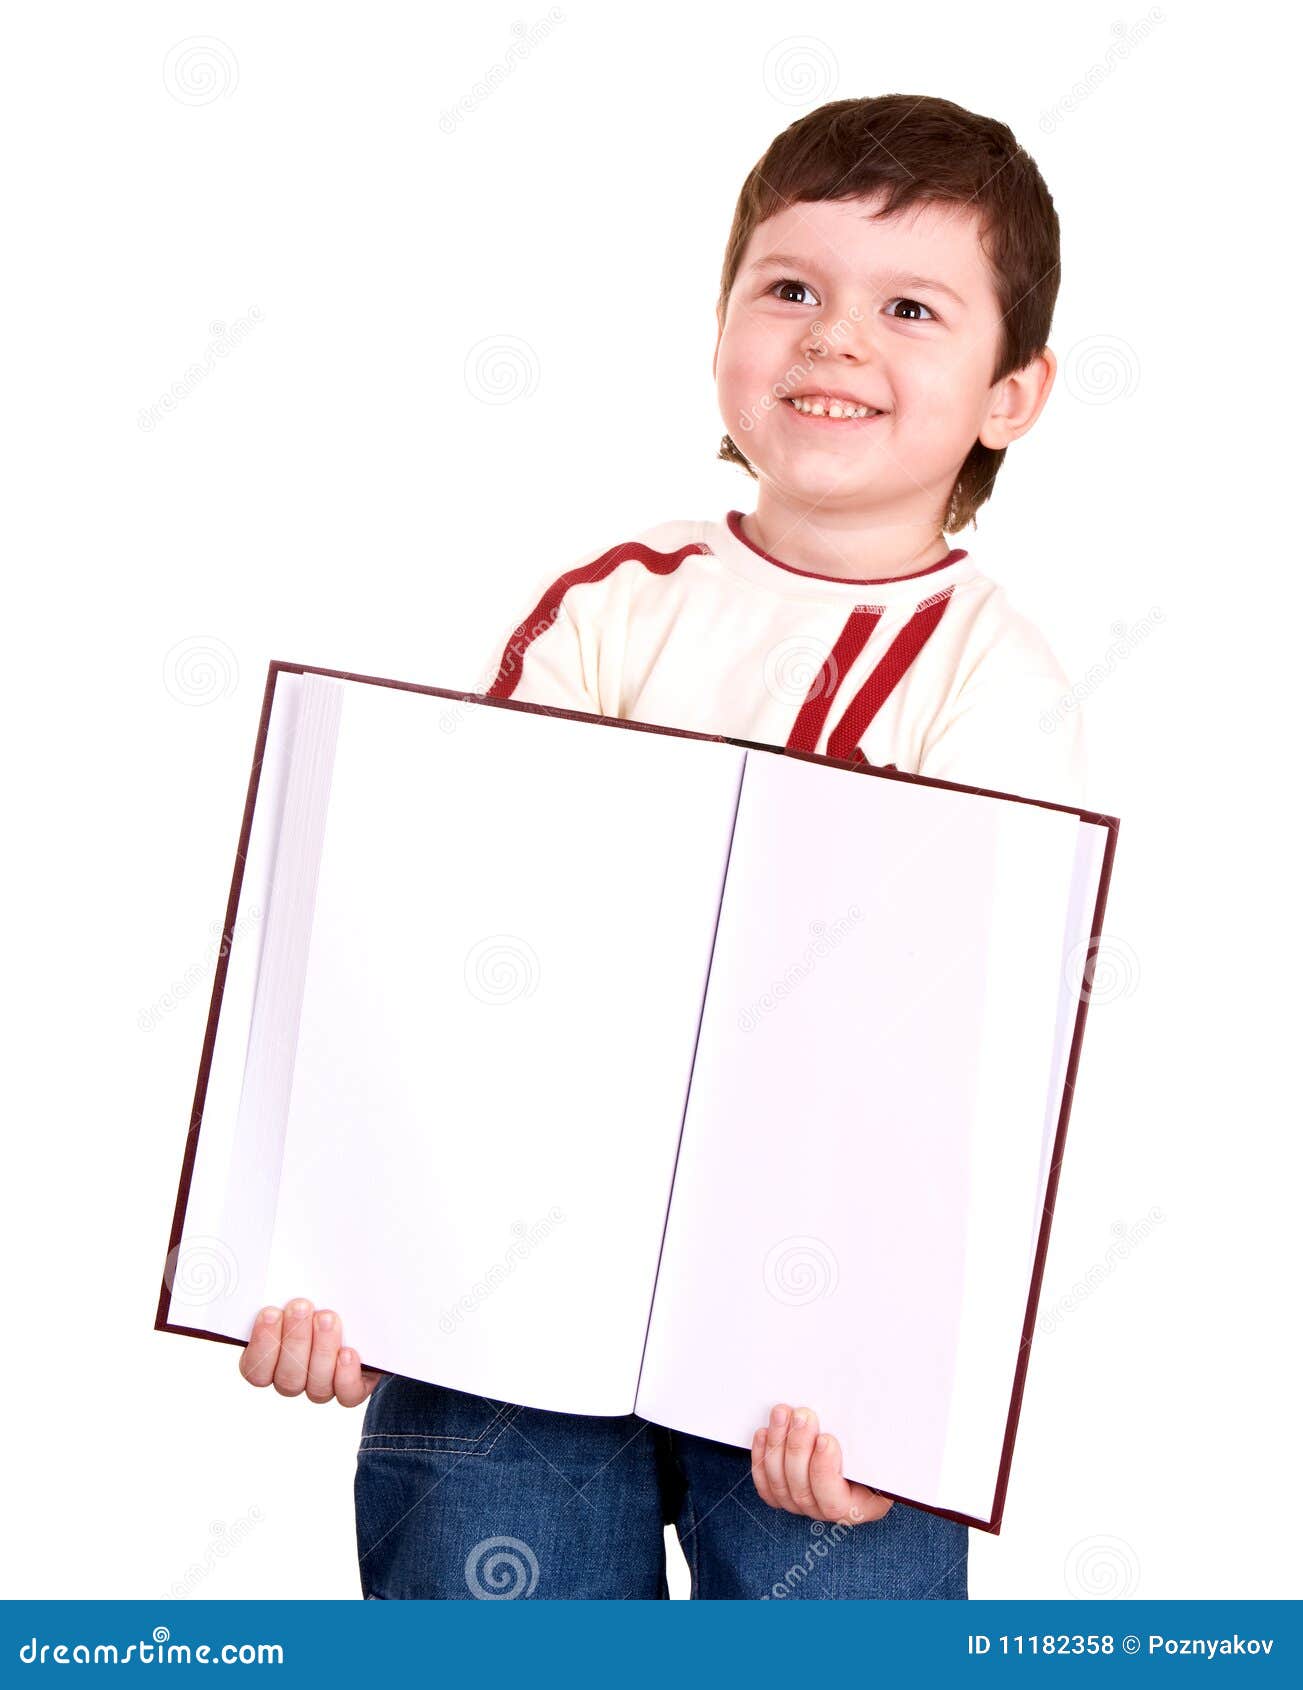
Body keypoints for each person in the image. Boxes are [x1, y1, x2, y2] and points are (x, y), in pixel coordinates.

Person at [240, 91, 1087, 1600]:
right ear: (720, 335)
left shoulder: (994, 684)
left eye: (908, 306)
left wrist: (911, 1388)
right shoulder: (615, 609)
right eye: (790, 289)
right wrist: (350, 1256)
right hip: (525, 1279)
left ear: (1012, 393)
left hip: (822, 1355)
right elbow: (457, 961)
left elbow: (970, 1077)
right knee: (484, 1574)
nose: (834, 338)